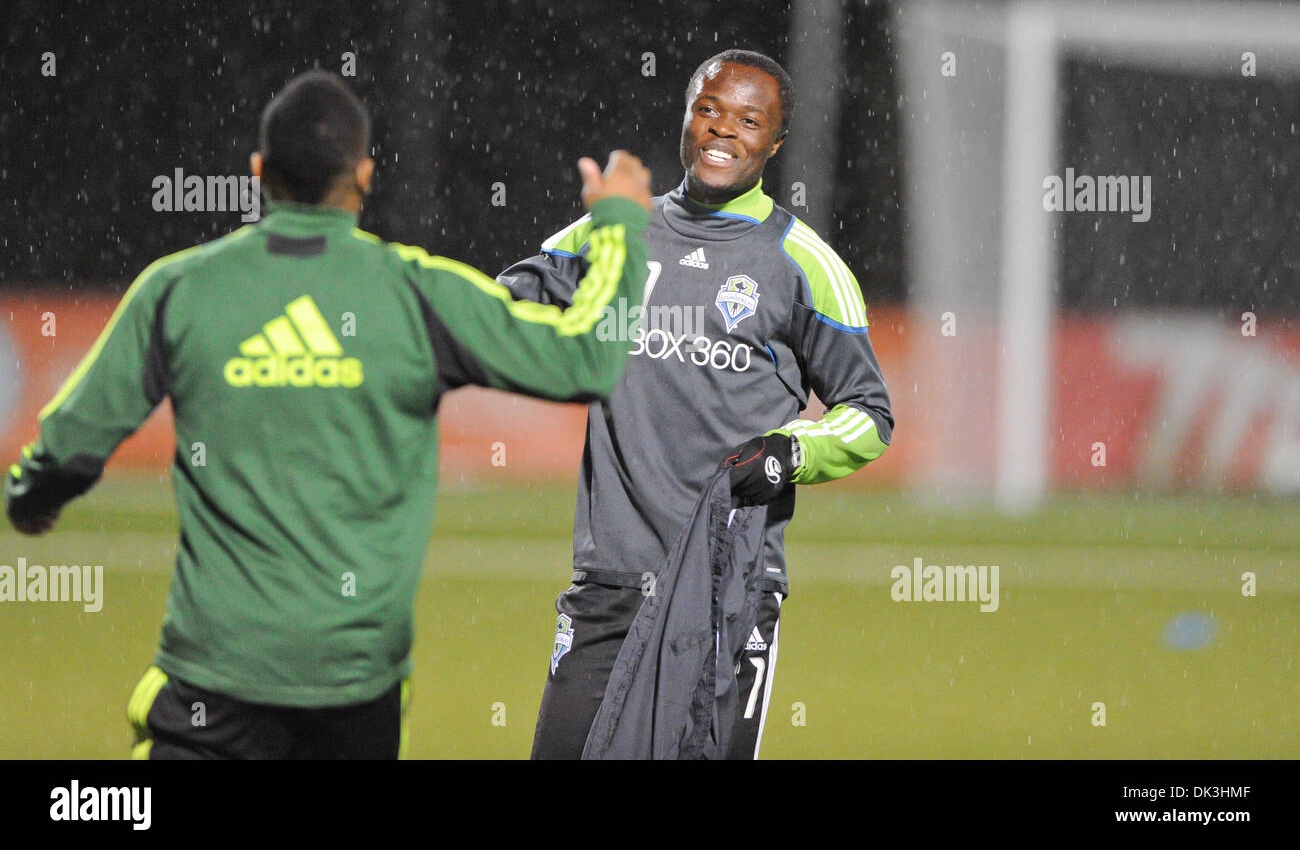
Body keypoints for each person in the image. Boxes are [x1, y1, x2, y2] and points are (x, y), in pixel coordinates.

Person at [4, 70, 651, 759]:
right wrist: (618, 225)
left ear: (258, 172)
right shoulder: (417, 292)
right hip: (354, 690)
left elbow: (70, 444)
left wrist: (32, 497)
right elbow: (585, 359)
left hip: (214, 679)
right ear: (365, 174)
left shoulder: (179, 289)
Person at [498, 49, 894, 759]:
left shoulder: (805, 264)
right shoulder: (614, 233)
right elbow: (499, 311)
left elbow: (870, 412)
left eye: (749, 120)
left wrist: (791, 452)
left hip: (727, 593)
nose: (722, 131)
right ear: (684, 117)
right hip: (611, 582)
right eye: (708, 110)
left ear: (774, 143)